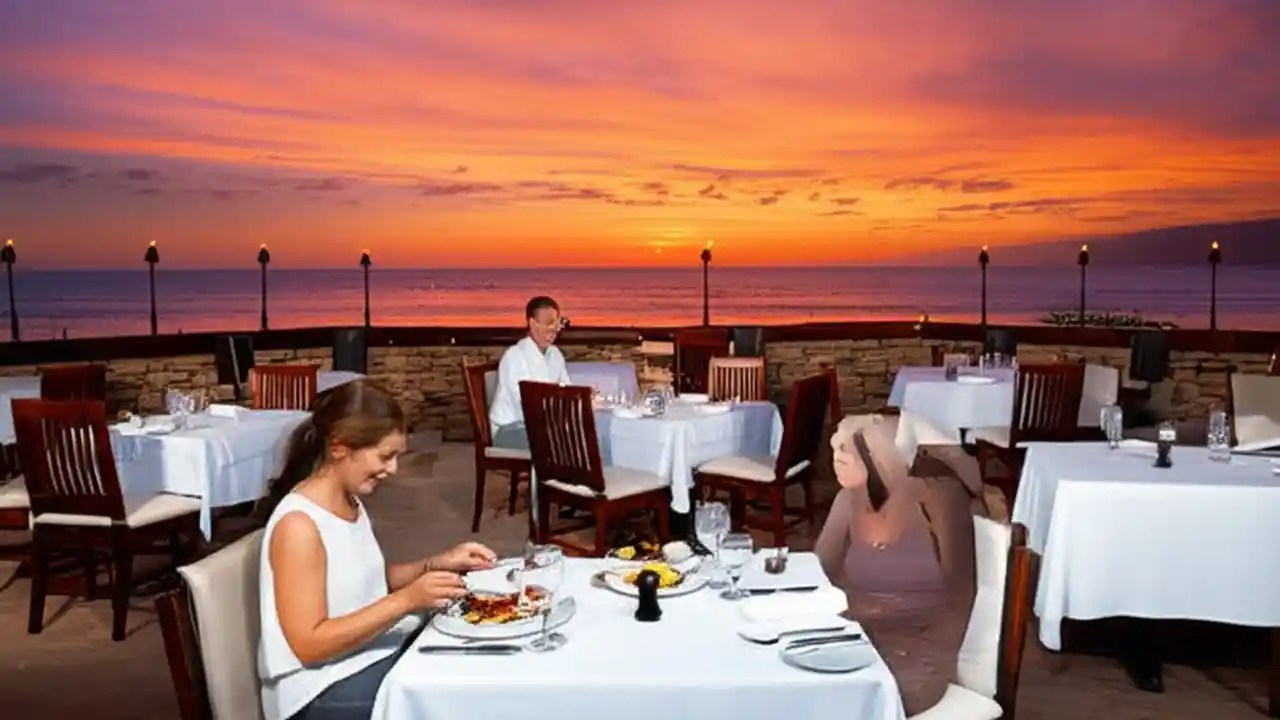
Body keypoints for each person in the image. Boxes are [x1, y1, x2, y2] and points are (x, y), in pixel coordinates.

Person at [258, 380, 497, 720]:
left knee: (472, 656)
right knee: (456, 695)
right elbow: (309, 644)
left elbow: (364, 581)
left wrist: (436, 563)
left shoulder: (348, 499)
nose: (393, 469)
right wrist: (407, 600)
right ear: (340, 448)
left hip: (360, 657)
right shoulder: (299, 525)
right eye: (385, 456)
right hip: (316, 690)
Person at [489, 295, 571, 450]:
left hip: (543, 425)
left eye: (557, 323)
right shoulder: (514, 356)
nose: (554, 329)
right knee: (558, 439)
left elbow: (566, 390)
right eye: (548, 323)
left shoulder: (556, 355)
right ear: (533, 324)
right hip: (509, 429)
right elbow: (524, 405)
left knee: (583, 434)